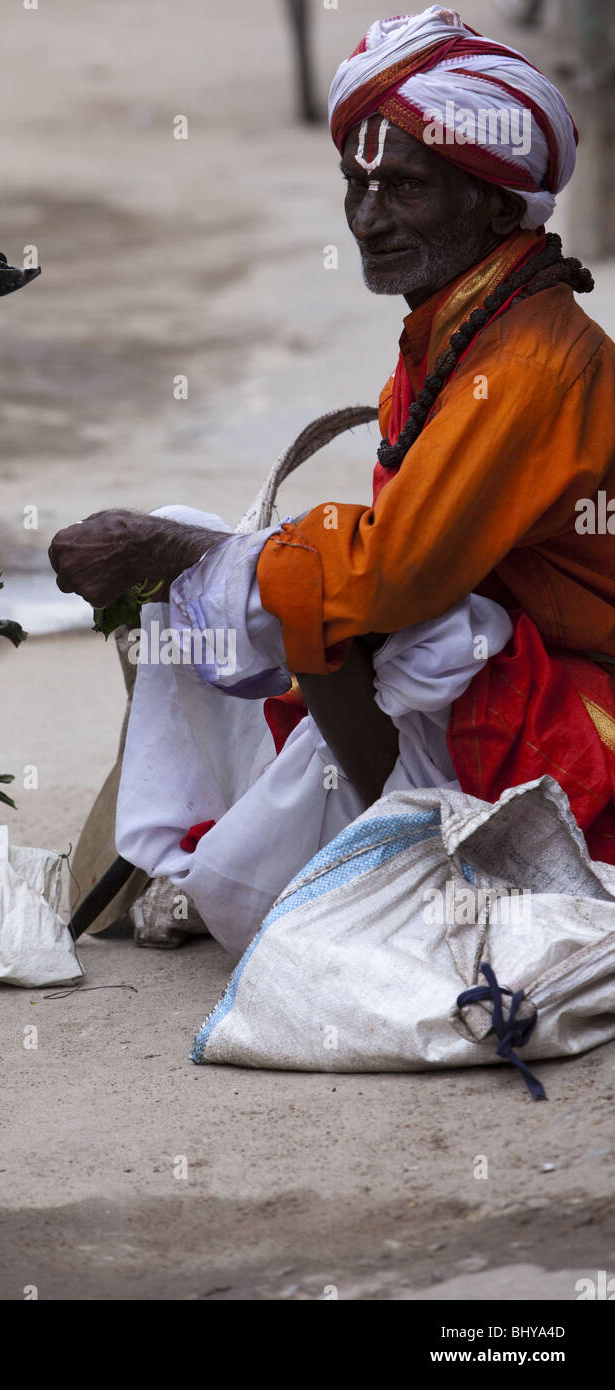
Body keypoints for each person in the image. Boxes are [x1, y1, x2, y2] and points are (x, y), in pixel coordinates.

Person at [49, 7, 615, 957]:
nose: (368, 217)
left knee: (400, 626)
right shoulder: (466, 322)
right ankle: (226, 848)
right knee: (235, 561)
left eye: (405, 189)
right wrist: (198, 551)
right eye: (356, 185)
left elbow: (395, 576)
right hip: (503, 680)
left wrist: (187, 554)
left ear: (488, 199)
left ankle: (399, 870)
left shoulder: (525, 366)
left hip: (574, 721)